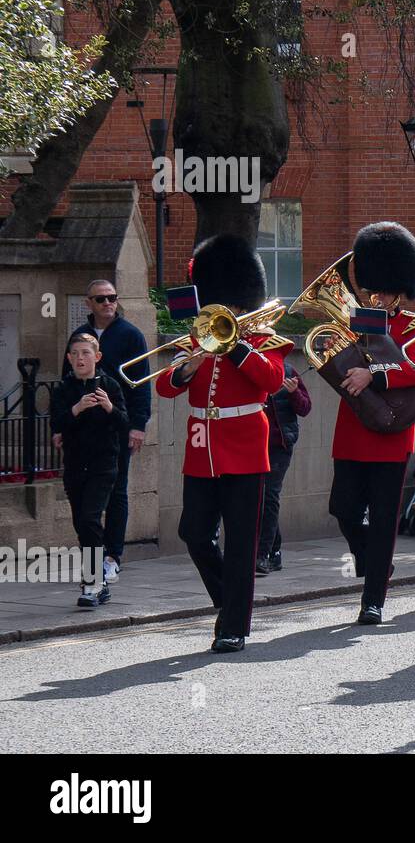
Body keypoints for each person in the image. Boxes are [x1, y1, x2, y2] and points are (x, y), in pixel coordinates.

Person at [155, 235, 292, 652]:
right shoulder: (195, 338)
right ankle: (230, 602)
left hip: (247, 450)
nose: (224, 312)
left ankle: (233, 624)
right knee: (194, 533)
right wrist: (184, 370)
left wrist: (236, 348)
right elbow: (165, 386)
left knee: (241, 544)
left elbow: (271, 381)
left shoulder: (264, 338)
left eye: (230, 305)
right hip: (202, 450)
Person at [329, 222, 415, 625]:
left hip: (392, 434)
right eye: (373, 287)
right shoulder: (350, 323)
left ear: (399, 290)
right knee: (343, 509)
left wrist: (375, 375)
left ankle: (373, 598)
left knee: (385, 519)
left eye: (386, 289)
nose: (378, 295)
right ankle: (374, 563)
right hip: (353, 432)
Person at [67, 279, 150, 584]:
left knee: (117, 491)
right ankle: (92, 556)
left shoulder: (131, 335)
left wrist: (138, 426)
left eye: (112, 298)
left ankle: (113, 556)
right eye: (100, 299)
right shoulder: (79, 337)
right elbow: (68, 382)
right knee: (80, 495)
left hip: (117, 424)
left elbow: (141, 384)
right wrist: (63, 425)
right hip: (83, 430)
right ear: (88, 303)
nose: (107, 304)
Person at [51, 333, 129, 607]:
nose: (81, 358)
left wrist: (108, 407)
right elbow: (56, 424)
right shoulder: (63, 390)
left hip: (103, 465)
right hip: (75, 465)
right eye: (76, 354)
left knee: (90, 519)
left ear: (97, 357)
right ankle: (100, 583)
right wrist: (76, 409)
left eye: (86, 353)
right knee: (82, 525)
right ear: (69, 359)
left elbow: (124, 425)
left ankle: (92, 583)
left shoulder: (110, 386)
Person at [257, 362, 311, 576]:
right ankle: (275, 551)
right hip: (253, 444)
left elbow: (305, 408)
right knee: (259, 498)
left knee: (269, 496)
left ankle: (263, 554)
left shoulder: (289, 371)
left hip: (278, 445)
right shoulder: (251, 368)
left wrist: (294, 392)